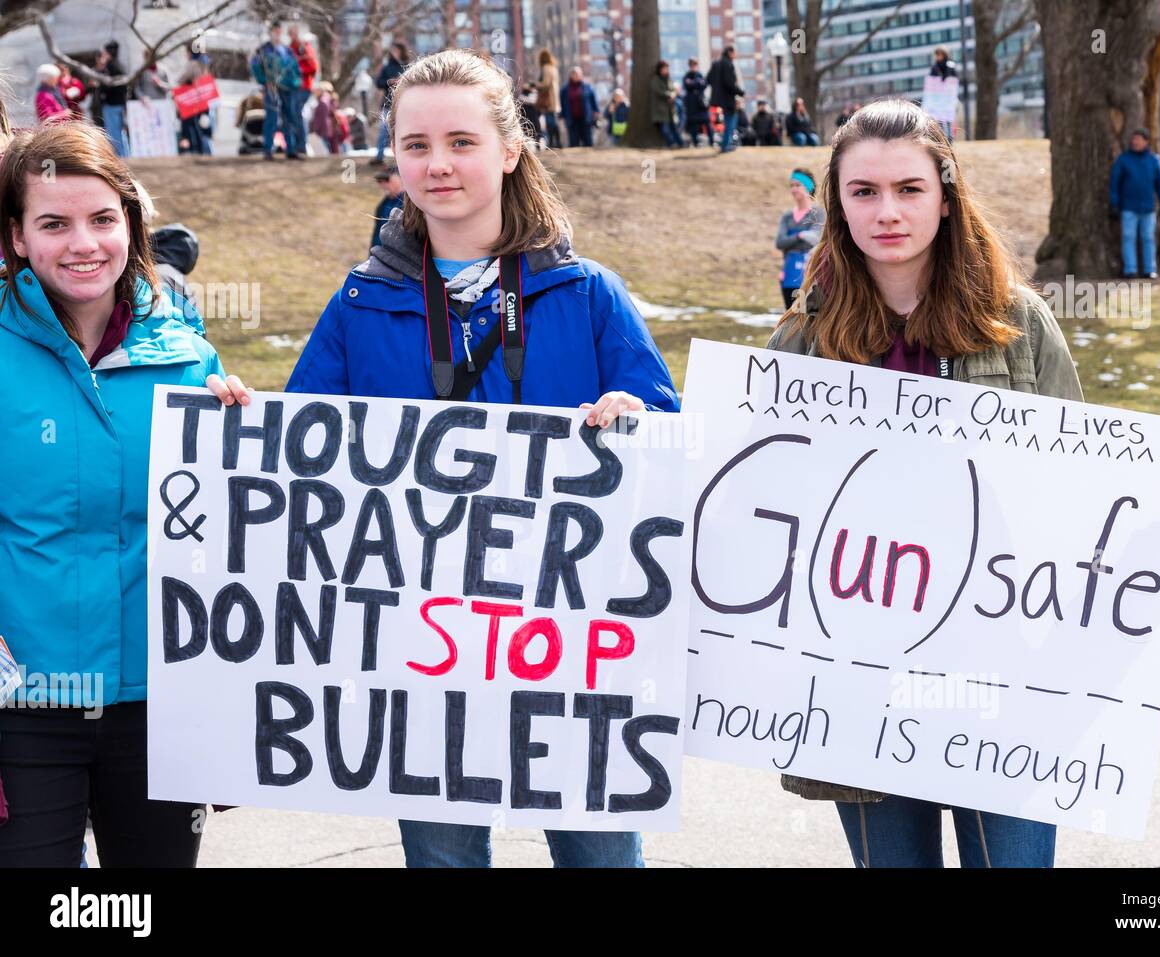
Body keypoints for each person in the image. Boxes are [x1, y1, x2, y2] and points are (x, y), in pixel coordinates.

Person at [766, 98, 1160, 868]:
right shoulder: (801, 340)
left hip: (1004, 670)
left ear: (946, 196)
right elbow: (758, 501)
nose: (888, 211)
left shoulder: (1017, 323)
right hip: (857, 678)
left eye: (910, 189)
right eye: (864, 191)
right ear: (836, 203)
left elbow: (1085, 490)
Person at [284, 49, 678, 868]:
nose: (437, 164)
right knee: (442, 860)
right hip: (421, 645)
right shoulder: (359, 303)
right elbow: (295, 453)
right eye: (416, 144)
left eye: (461, 141)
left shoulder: (588, 291)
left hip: (574, 638)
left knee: (601, 856)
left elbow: (672, 439)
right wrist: (233, 423)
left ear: (509, 150)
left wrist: (638, 417)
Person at [0, 122, 248, 867]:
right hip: (24, 710)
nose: (84, 243)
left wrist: (249, 445)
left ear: (130, 223)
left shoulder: (189, 355)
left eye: (103, 219)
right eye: (54, 223)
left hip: (160, 702)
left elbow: (226, 534)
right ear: (16, 237)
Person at [1108, 127, 1160, 279]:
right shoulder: (1124, 160)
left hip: (1148, 208)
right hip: (1129, 206)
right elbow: (1115, 183)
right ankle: (1130, 269)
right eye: (1133, 139)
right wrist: (1114, 204)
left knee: (1148, 238)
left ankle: (1149, 269)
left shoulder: (1154, 160)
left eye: (1138, 139)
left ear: (1146, 141)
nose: (1135, 142)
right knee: (1128, 237)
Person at [251, 21, 304, 160]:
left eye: (279, 30)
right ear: (270, 32)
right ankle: (268, 150)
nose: (277, 33)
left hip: (288, 89)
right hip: (272, 88)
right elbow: (255, 66)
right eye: (275, 30)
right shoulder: (263, 50)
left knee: (289, 117)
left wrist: (295, 82)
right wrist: (264, 81)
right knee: (272, 118)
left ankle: (291, 149)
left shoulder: (287, 50)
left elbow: (295, 69)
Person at [775, 167, 825, 309]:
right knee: (791, 315)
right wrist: (800, 235)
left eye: (798, 185)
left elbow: (816, 238)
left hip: (810, 274)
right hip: (789, 274)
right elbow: (780, 242)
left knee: (808, 316)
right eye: (791, 186)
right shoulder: (787, 216)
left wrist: (792, 238)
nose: (794, 189)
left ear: (808, 187)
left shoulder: (818, 213)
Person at [371, 41, 409, 165]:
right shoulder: (387, 67)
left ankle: (402, 158)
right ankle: (379, 156)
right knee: (384, 131)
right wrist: (389, 82)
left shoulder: (408, 66)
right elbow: (378, 83)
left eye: (396, 50)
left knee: (404, 131)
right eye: (393, 50)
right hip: (388, 104)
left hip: (405, 104)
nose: (394, 52)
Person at [288, 23, 319, 159]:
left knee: (297, 114)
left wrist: (300, 71)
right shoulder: (290, 48)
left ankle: (301, 145)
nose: (292, 35)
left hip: (303, 87)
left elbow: (313, 67)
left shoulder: (303, 47)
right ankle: (296, 145)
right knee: (294, 115)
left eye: (294, 32)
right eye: (291, 32)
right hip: (293, 88)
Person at [706, 46, 744, 153]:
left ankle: (728, 144)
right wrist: (740, 92)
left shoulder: (715, 64)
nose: (735, 55)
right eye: (735, 52)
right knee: (731, 121)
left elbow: (708, 79)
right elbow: (729, 83)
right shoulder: (728, 64)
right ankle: (726, 145)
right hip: (728, 99)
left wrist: (717, 89)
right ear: (730, 53)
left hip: (717, 99)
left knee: (729, 121)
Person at [177, 50, 214, 155]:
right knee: (201, 125)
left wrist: (179, 83)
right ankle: (202, 149)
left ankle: (195, 149)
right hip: (203, 98)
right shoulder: (205, 63)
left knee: (192, 125)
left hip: (193, 98)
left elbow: (182, 78)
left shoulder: (193, 64)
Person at [99, 40, 130, 156]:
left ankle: (119, 157)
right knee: (121, 133)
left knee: (113, 134)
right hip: (120, 103)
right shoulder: (120, 65)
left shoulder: (110, 67)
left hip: (111, 104)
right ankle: (125, 155)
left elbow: (107, 86)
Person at [560, 66, 598, 148]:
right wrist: (562, 116)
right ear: (571, 75)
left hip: (586, 119)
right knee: (573, 143)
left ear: (581, 75)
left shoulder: (588, 87)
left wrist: (596, 112)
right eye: (574, 74)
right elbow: (562, 104)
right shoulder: (565, 90)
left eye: (578, 74)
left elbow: (593, 102)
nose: (576, 76)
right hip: (572, 119)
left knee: (588, 142)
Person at [370, 165, 404, 251]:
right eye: (380, 181)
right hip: (380, 254)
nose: (384, 184)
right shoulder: (383, 204)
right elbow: (377, 233)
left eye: (387, 179)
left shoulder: (411, 204)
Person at [311, 81, 349, 154]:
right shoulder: (330, 100)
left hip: (327, 128)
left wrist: (316, 128)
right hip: (331, 128)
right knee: (333, 148)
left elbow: (322, 118)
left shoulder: (323, 101)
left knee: (328, 150)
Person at [930, 47, 960, 139]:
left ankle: (950, 140)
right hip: (938, 99)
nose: (938, 56)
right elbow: (931, 81)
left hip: (949, 98)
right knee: (939, 121)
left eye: (940, 54)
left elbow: (954, 79)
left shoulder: (950, 66)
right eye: (937, 54)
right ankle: (942, 140)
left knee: (949, 120)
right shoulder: (934, 67)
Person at [651, 61, 683, 148]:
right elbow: (659, 91)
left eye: (667, 68)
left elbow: (673, 89)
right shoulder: (656, 79)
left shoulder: (668, 79)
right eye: (664, 68)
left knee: (674, 128)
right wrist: (670, 95)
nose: (666, 70)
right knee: (665, 129)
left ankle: (680, 143)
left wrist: (673, 94)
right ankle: (671, 143)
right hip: (661, 110)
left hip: (670, 109)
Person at [682, 57, 712, 147]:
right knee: (693, 126)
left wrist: (694, 83)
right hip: (692, 106)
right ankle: (695, 143)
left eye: (695, 65)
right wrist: (697, 83)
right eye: (692, 65)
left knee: (707, 123)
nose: (694, 67)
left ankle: (712, 141)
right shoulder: (687, 76)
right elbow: (687, 85)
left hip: (701, 105)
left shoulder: (700, 75)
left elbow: (704, 84)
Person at [536, 48, 562, 149]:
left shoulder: (546, 68)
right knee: (553, 120)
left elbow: (545, 84)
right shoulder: (553, 68)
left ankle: (553, 143)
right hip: (554, 97)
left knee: (550, 121)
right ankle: (557, 142)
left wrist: (536, 85)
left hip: (548, 98)